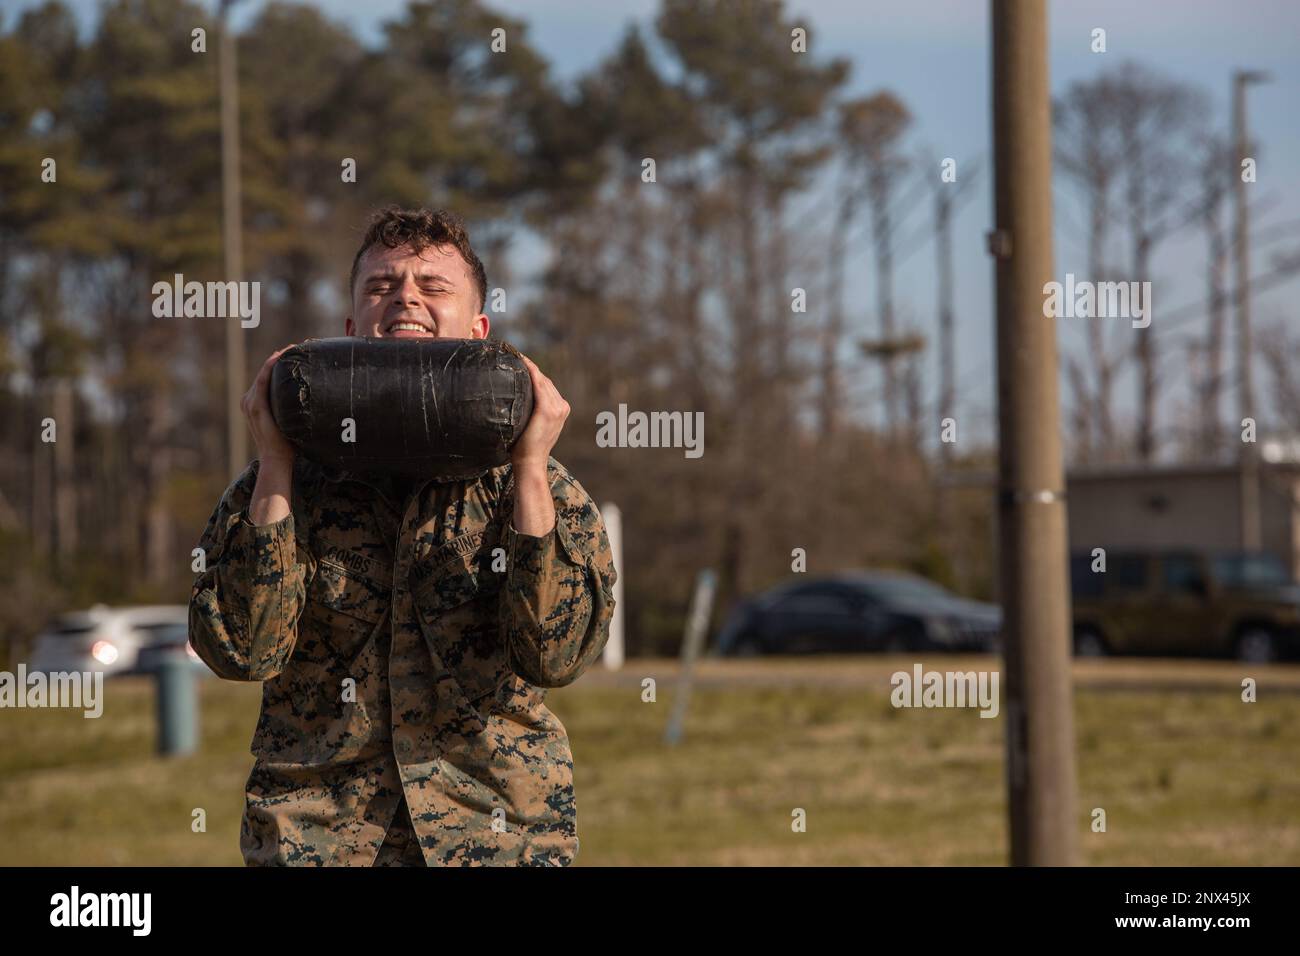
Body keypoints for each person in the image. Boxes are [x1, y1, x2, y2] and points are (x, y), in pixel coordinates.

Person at [188, 206, 616, 866]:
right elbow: (245, 653)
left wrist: (529, 465)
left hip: (496, 834)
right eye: (382, 286)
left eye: (433, 286)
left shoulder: (536, 487)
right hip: (321, 836)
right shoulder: (282, 485)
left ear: (479, 331)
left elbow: (555, 658)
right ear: (352, 327)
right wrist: (276, 460)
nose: (406, 297)